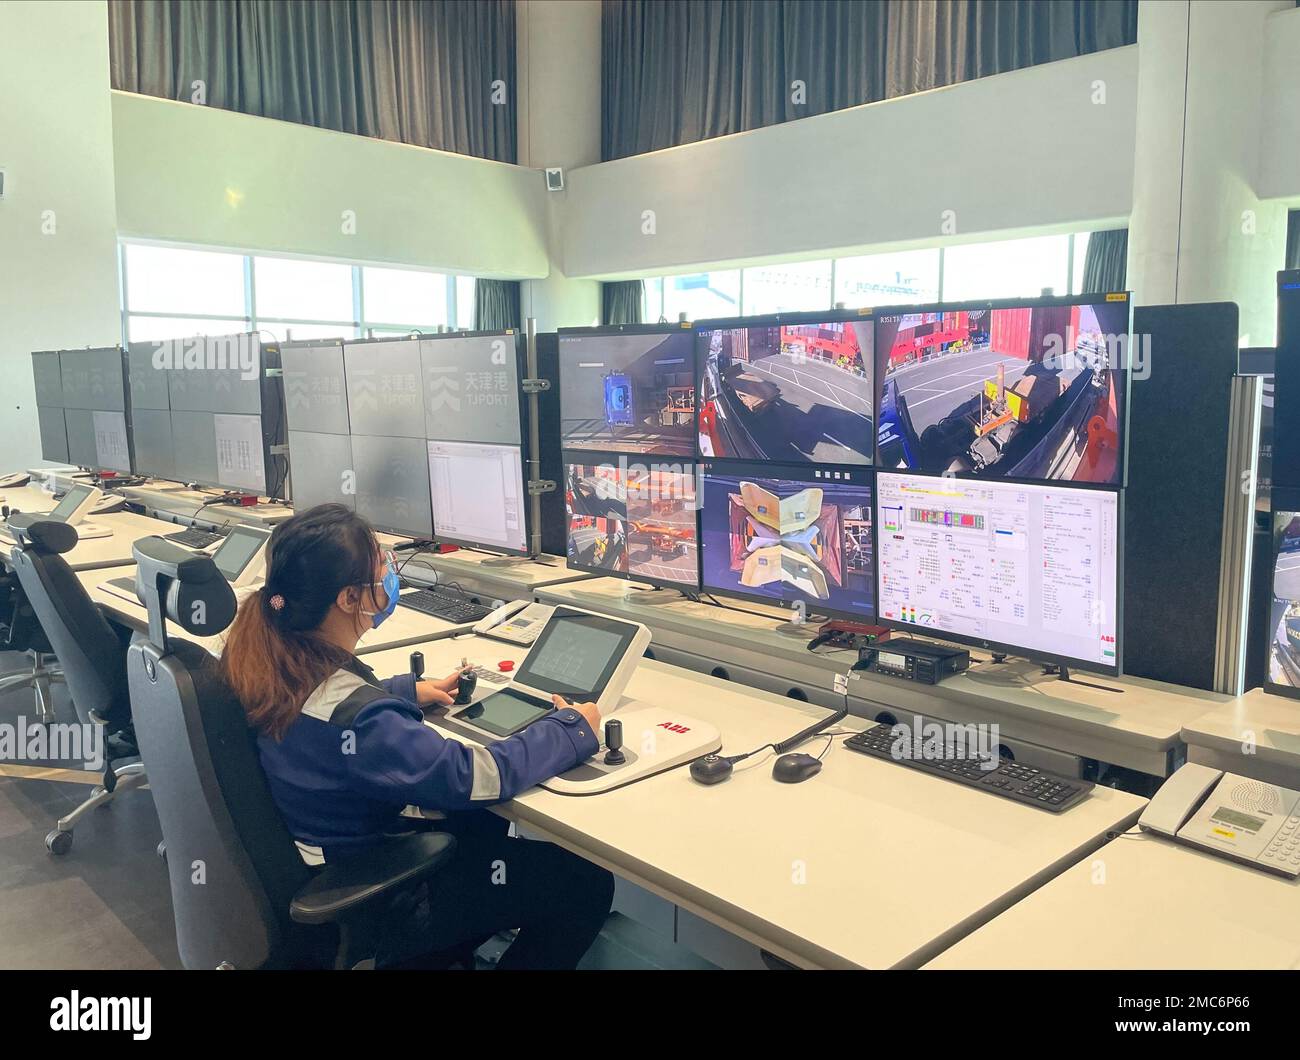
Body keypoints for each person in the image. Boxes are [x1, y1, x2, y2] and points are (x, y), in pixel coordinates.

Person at [220, 503, 614, 969]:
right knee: (584, 880)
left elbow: (326, 711)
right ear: (348, 599)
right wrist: (570, 731)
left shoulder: (270, 658)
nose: (390, 573)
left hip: (327, 856)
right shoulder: (361, 720)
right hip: (384, 890)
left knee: (482, 827)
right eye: (381, 565)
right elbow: (476, 776)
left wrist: (402, 693)